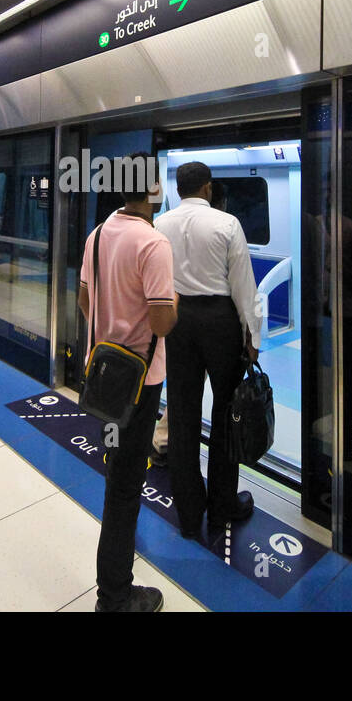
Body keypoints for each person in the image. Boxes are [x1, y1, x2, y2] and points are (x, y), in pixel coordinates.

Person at [78, 152, 177, 612]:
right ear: (151, 189)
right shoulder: (153, 244)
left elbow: (84, 300)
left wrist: (112, 331)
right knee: (125, 487)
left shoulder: (97, 235)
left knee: (116, 472)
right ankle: (114, 595)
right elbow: (162, 321)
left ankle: (113, 586)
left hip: (104, 375)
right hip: (141, 382)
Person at [154, 161, 260, 539]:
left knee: (182, 416)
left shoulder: (160, 225)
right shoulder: (227, 224)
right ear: (208, 188)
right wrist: (253, 338)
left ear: (179, 189)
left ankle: (187, 513)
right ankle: (222, 508)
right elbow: (243, 287)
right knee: (226, 416)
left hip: (179, 321)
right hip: (219, 322)